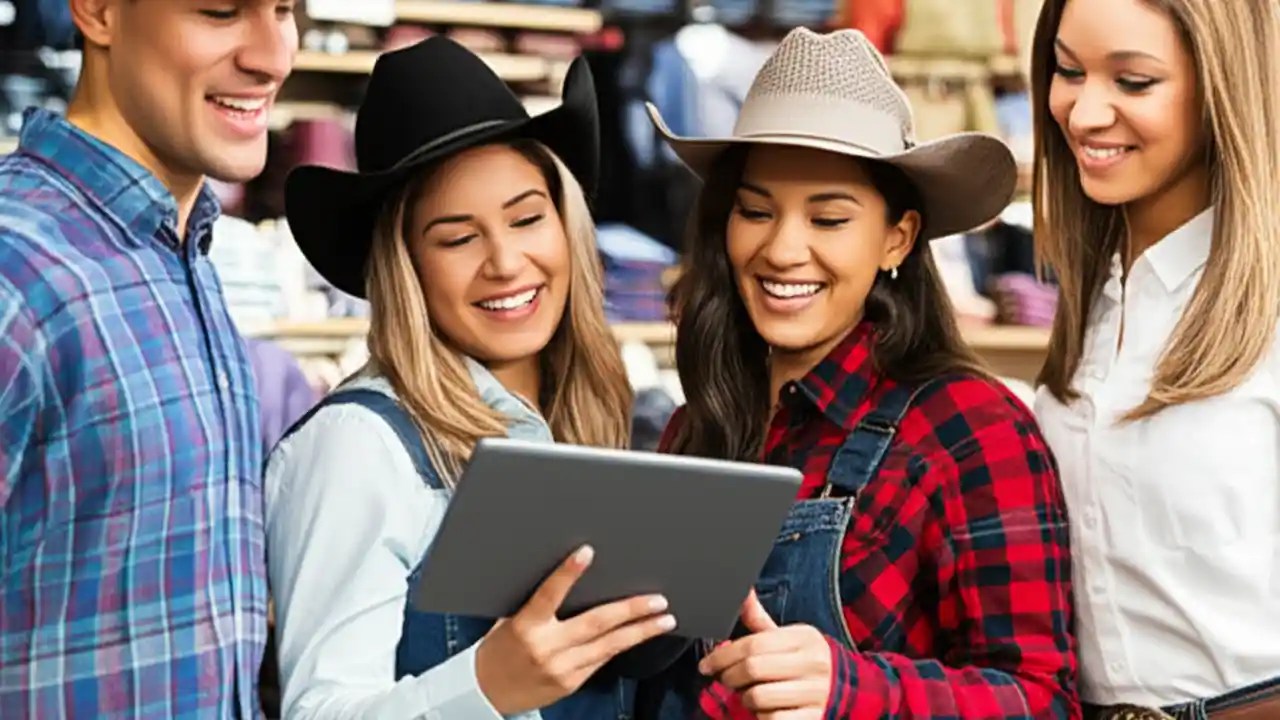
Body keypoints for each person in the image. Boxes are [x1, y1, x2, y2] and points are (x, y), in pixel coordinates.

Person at [645, 28, 1080, 718]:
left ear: (896, 238)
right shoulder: (693, 429)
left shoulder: (971, 431)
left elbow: (1042, 701)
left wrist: (850, 690)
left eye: (829, 218)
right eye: (755, 211)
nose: (783, 248)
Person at [264, 37, 676, 719]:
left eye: (526, 219)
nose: (506, 262)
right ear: (407, 269)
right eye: (458, 238)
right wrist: (486, 685)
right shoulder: (359, 447)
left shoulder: (587, 420)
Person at [0, 1, 295, 717]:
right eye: (221, 10)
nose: (273, 55)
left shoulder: (179, 255)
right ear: (99, 10)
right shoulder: (17, 273)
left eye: (285, 8)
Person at [1029, 1, 1280, 718]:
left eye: (1134, 82)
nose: (1083, 113)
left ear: (1225, 84)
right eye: (1068, 71)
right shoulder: (1092, 302)